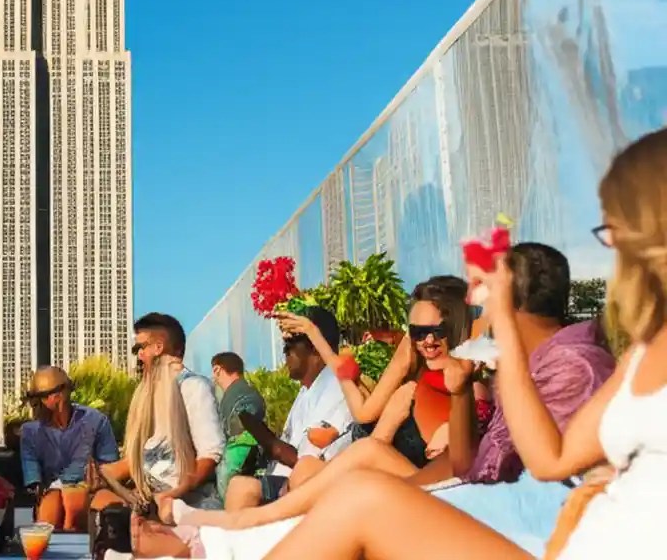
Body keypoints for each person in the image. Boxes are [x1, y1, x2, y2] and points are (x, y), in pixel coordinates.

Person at [265, 127, 667, 559]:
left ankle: (238, 530)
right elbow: (550, 459)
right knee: (356, 488)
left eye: (617, 233)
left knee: (361, 494)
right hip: (561, 534)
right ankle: (238, 530)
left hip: (566, 532)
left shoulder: (576, 364)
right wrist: (502, 329)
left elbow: (491, 470)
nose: (615, 254)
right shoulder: (642, 355)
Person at [184, 276, 479, 530]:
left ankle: (245, 524)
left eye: (436, 331)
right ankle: (244, 533)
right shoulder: (412, 378)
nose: (425, 341)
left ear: (455, 328)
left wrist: (459, 414)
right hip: (390, 474)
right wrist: (316, 334)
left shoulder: (472, 379)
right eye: (416, 332)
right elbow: (364, 414)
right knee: (310, 468)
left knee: (347, 458)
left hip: (434, 493)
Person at [222, 306, 353, 512]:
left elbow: (310, 463)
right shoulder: (306, 392)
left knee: (243, 489)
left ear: (316, 348)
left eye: (291, 343)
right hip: (289, 483)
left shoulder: (336, 387)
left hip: (315, 488)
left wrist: (272, 444)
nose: (285, 351)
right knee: (238, 484)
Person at [94, 313, 226, 516]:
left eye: (141, 348)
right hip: (148, 496)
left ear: (158, 347)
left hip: (182, 503)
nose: (138, 356)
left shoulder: (193, 387)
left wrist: (173, 494)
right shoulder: (148, 394)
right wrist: (101, 473)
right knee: (98, 501)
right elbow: (142, 459)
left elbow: (210, 455)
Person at [19, 365, 120, 531]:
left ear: (60, 394)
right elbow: (33, 481)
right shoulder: (29, 432)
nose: (34, 405)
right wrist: (42, 491)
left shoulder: (96, 421)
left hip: (89, 493)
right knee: (55, 502)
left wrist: (98, 482)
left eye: (41, 397)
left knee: (82, 501)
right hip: (51, 495)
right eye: (32, 398)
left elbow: (111, 467)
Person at [210, 352, 266, 495]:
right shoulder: (249, 392)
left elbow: (242, 436)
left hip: (239, 457)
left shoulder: (236, 395)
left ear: (217, 370)